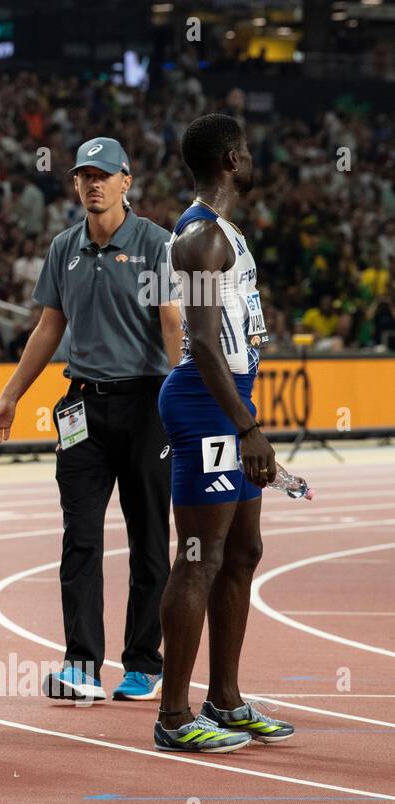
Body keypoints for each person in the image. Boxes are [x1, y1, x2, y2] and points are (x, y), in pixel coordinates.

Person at [0, 137, 182, 704]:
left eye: (103, 175)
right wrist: (10, 395)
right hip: (82, 407)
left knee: (147, 536)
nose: (93, 184)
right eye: (83, 175)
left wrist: (181, 392)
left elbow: (171, 322)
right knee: (81, 537)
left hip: (147, 402)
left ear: (126, 181)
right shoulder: (64, 247)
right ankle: (82, 664)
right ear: (74, 184)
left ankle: (143, 662)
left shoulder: (156, 246)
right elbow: (49, 327)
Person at [153, 113, 295, 753]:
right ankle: (174, 716)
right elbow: (202, 343)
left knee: (242, 552)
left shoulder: (223, 233)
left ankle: (226, 699)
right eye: (249, 149)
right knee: (198, 557)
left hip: (231, 399)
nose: (253, 157)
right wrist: (250, 429)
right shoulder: (203, 238)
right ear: (234, 158)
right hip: (209, 402)